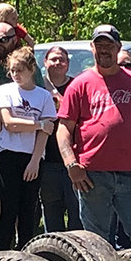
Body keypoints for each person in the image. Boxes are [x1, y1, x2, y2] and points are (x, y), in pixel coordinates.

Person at [58, 23, 131, 248]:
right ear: (92, 49)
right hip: (91, 177)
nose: (104, 49)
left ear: (118, 47)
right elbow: (64, 128)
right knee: (96, 244)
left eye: (109, 45)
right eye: (99, 45)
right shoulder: (79, 85)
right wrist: (71, 164)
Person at [0, 47, 59, 250]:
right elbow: (10, 123)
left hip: (32, 156)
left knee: (28, 208)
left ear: (31, 70)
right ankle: (3, 251)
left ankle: (26, 251)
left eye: (20, 70)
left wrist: (35, 160)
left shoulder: (44, 96)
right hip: (8, 154)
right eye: (12, 70)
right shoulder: (5, 90)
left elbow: (47, 132)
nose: (15, 75)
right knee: (9, 206)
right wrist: (38, 124)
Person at [40, 44, 80, 231]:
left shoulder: (77, 87)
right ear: (45, 62)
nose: (57, 62)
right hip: (47, 162)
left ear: (68, 64)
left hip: (74, 161)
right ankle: (53, 256)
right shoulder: (37, 88)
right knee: (51, 211)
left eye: (61, 59)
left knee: (77, 213)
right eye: (53, 59)